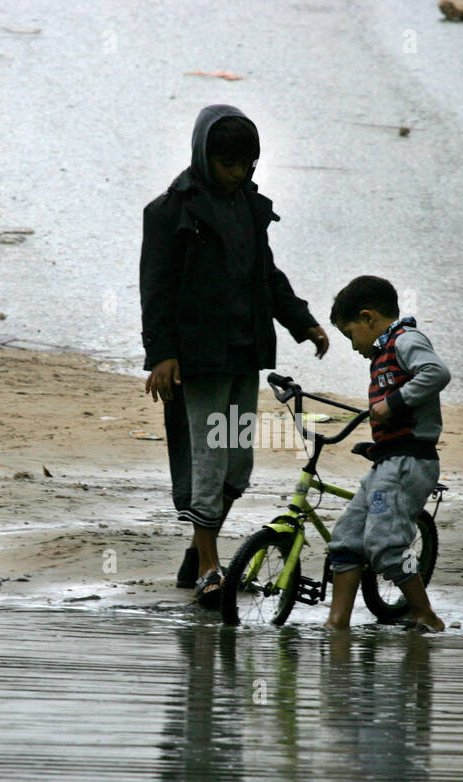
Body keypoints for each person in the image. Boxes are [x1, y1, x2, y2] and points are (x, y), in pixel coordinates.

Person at [141, 104, 329, 608]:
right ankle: (208, 566)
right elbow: (155, 289)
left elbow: (266, 273)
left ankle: (195, 553)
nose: (239, 173)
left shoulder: (250, 205)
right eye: (229, 164)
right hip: (197, 359)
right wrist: (161, 354)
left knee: (236, 465)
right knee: (207, 460)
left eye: (247, 163)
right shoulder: (168, 211)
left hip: (245, 351)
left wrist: (301, 320)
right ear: (206, 156)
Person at [323, 276, 449, 633]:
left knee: (385, 546)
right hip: (390, 461)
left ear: (368, 318)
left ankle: (424, 614)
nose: (351, 345)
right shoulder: (383, 352)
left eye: (349, 334)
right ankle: (338, 624)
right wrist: (379, 446)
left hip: (409, 463)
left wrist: (393, 403)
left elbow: (436, 372)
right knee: (346, 539)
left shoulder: (406, 340)